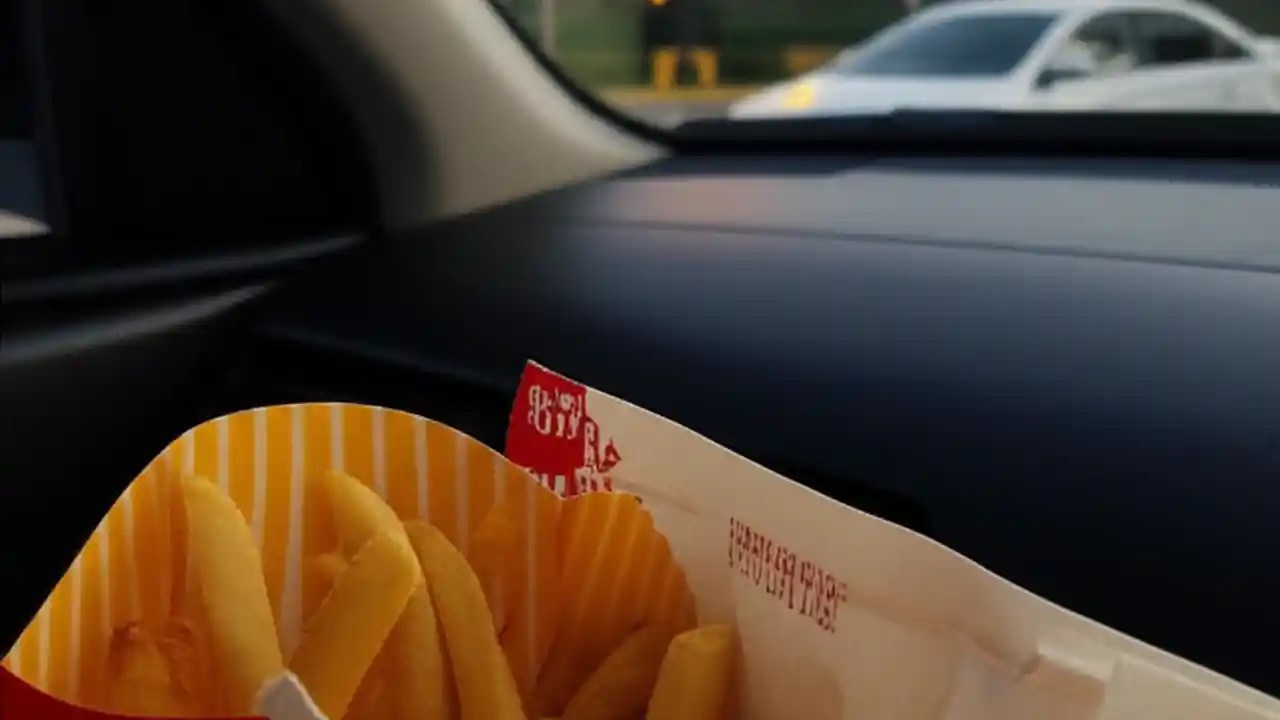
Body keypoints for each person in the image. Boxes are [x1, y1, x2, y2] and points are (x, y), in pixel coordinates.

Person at [642, 0, 720, 91]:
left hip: (696, 41)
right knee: (664, 69)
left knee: (706, 70)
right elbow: (654, 11)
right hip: (668, 41)